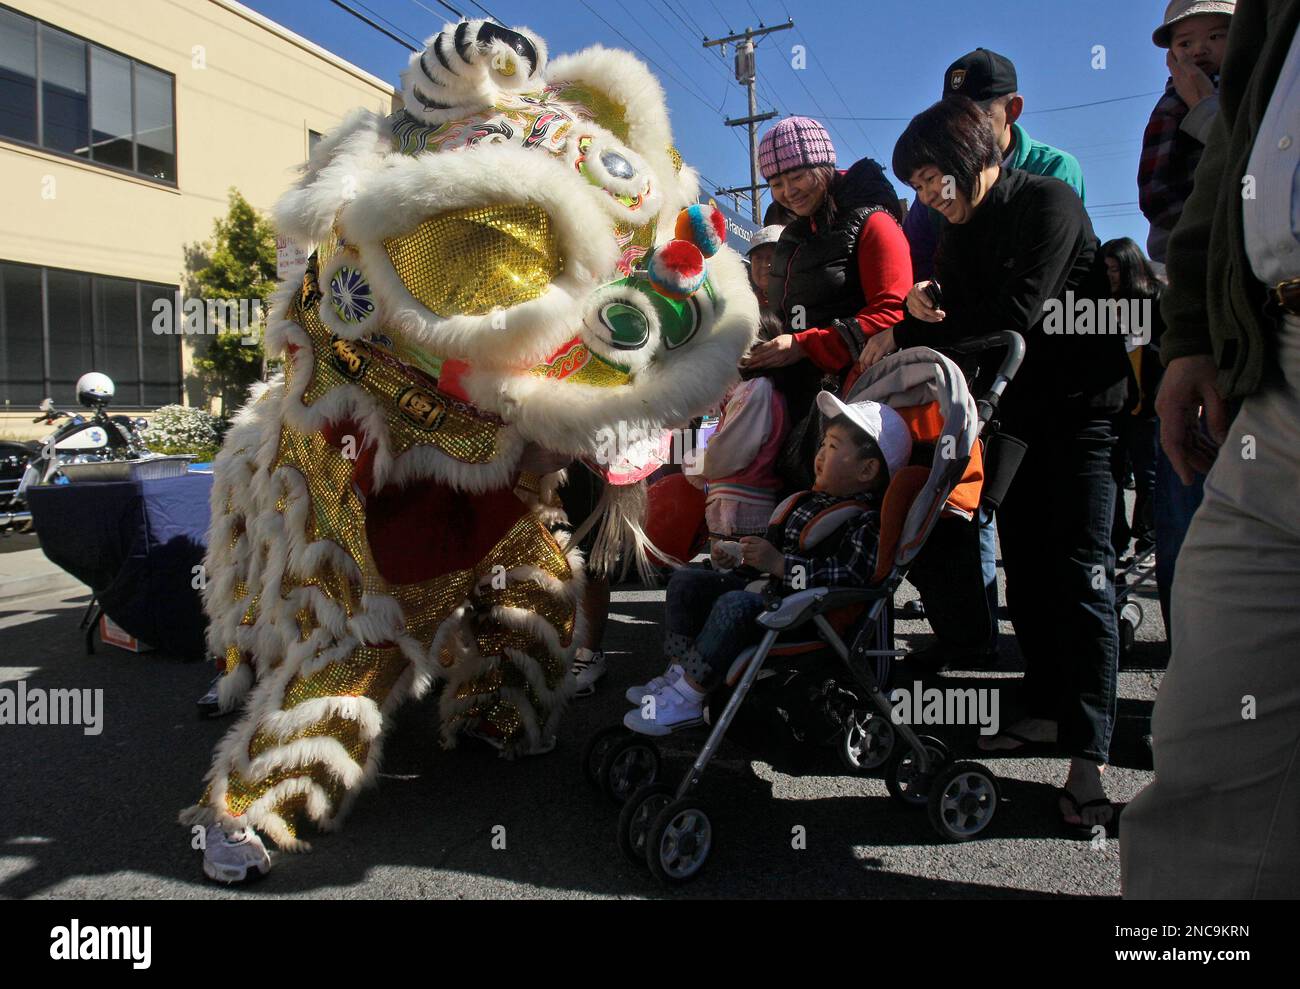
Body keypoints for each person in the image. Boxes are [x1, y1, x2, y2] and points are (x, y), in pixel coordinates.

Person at [885, 97, 1133, 831]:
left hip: (1082, 411)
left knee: (1083, 573)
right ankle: (1047, 711)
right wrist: (922, 306)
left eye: (936, 180)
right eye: (920, 187)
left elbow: (1014, 315)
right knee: (1026, 571)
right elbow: (954, 319)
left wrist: (949, 313)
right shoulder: (958, 236)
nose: (930, 198)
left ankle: (1089, 759)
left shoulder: (1049, 203)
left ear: (971, 157)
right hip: (1013, 418)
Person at [1122, 0, 1300, 899]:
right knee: (1209, 734)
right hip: (1268, 353)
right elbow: (1211, 183)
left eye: (1210, 36)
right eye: (1179, 42)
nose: (1193, 54)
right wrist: (1190, 330)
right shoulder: (1206, 95)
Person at [624, 395, 910, 733]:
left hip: (809, 616)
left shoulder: (864, 523)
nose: (819, 454)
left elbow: (849, 577)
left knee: (735, 604)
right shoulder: (806, 501)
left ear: (867, 470)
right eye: (823, 443)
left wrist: (782, 567)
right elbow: (769, 552)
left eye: (833, 447)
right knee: (686, 580)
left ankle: (690, 694)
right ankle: (679, 673)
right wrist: (739, 555)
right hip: (773, 594)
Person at [742, 117, 911, 489]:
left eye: (796, 176)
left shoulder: (875, 223)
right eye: (776, 183)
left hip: (856, 407)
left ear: (824, 165)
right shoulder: (795, 236)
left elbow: (892, 313)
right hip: (800, 400)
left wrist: (804, 346)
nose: (788, 191)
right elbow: (783, 318)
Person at [902, 48, 1086, 283]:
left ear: (1013, 110)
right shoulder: (937, 181)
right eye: (952, 118)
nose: (961, 129)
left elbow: (1042, 270)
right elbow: (914, 258)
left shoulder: (1053, 169)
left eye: (976, 115)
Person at [1138, 1, 1236, 264]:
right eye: (1184, 44)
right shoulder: (1172, 104)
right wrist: (1183, 231)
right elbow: (1155, 186)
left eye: (1215, 36)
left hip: (1234, 237)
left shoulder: (1249, 95)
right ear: (1170, 56)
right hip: (1186, 241)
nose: (1199, 50)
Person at [1101, 239, 1164, 580]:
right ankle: (1117, 540)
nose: (1110, 276)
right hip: (1117, 406)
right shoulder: (1100, 305)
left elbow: (1166, 349)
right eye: (1105, 269)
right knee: (1112, 474)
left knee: (1149, 476)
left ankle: (1149, 542)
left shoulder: (1154, 299)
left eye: (1115, 269)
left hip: (1151, 404)